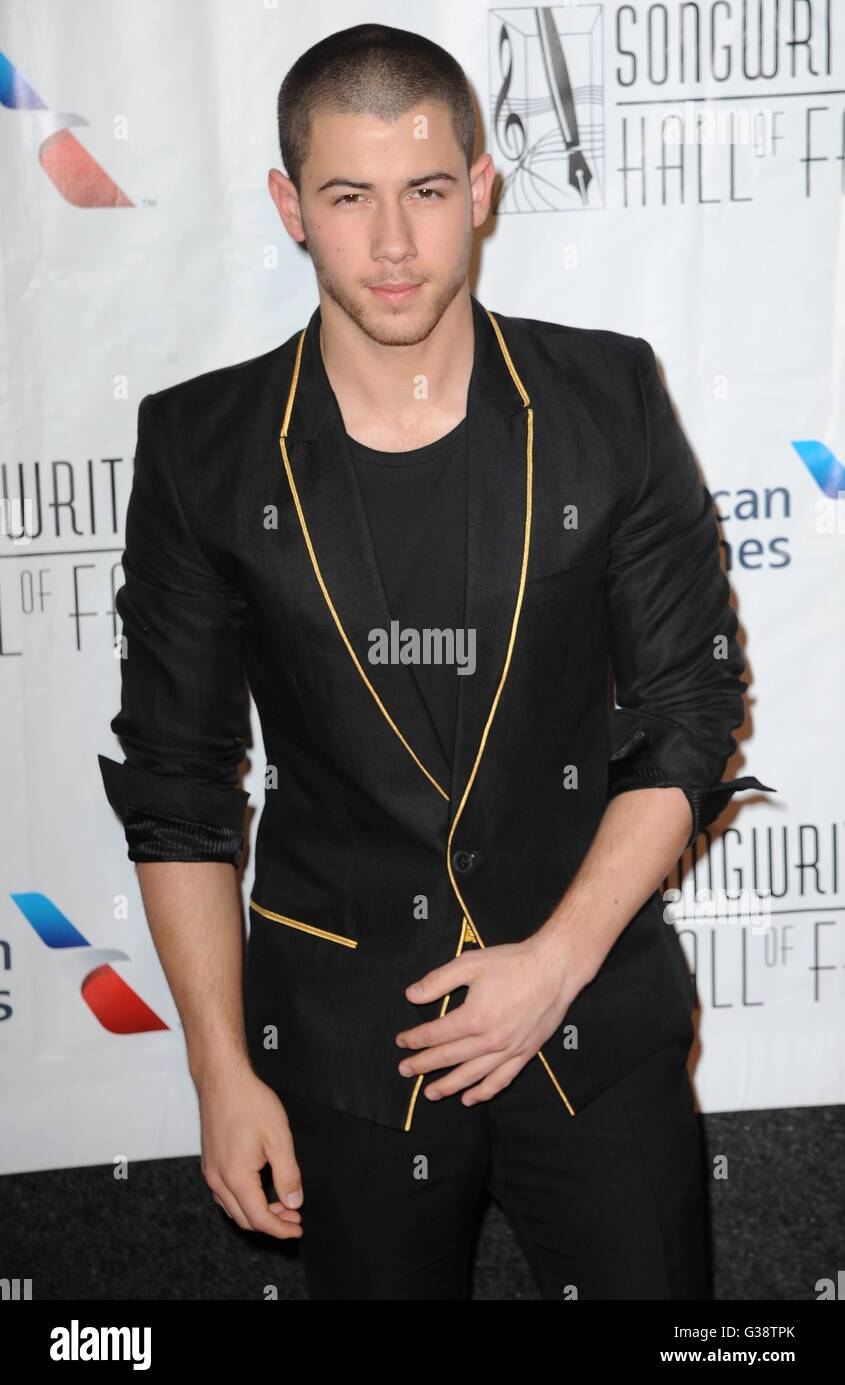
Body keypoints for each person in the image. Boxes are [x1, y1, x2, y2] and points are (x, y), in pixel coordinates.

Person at [98, 22, 775, 1300]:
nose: (393, 246)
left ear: (479, 189)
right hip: (346, 1051)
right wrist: (220, 1070)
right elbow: (180, 780)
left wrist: (554, 962)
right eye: (350, 198)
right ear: (289, 206)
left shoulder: (604, 398)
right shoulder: (202, 448)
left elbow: (688, 708)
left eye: (422, 193)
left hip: (590, 1019)